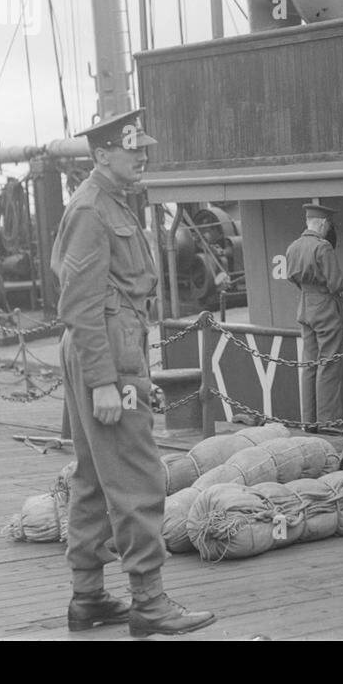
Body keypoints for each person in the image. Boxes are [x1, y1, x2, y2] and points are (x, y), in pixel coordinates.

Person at [52, 108, 215, 637]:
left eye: (143, 147)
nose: (143, 154)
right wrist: (103, 381)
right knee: (136, 476)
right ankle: (148, 603)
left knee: (96, 478)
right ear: (102, 155)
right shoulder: (92, 209)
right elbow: (78, 302)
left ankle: (89, 598)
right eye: (132, 148)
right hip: (109, 356)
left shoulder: (109, 202)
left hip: (108, 347)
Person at [284, 202, 343, 432]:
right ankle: (329, 422)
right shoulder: (323, 247)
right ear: (322, 223)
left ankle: (309, 422)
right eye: (328, 224)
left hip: (305, 306)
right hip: (326, 308)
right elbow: (336, 282)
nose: (329, 228)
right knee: (329, 364)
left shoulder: (293, 247)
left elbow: (292, 278)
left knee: (309, 365)